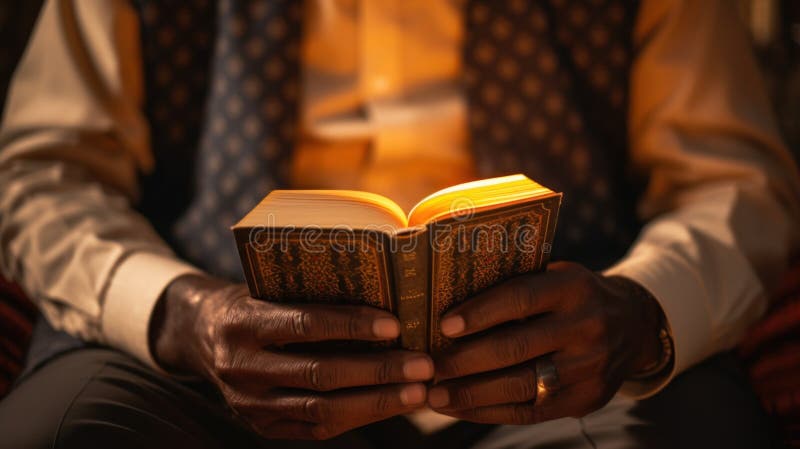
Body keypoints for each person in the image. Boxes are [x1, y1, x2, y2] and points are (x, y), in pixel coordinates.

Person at [0, 0, 798, 448]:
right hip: (216, 371)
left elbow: (729, 182)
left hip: (561, 380)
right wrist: (181, 316)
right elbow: (46, 173)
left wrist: (638, 311)